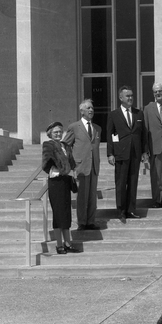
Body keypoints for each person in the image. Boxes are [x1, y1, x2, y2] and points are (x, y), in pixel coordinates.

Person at [107, 85, 148, 223]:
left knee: (133, 182)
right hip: (121, 153)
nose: (130, 98)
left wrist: (144, 151)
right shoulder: (114, 114)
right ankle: (121, 211)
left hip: (135, 154)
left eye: (131, 95)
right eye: (127, 96)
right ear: (120, 98)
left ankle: (131, 210)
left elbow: (143, 135)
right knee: (121, 183)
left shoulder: (139, 113)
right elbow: (110, 135)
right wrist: (110, 153)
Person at [62, 99, 101, 230]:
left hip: (94, 166)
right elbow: (66, 144)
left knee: (92, 196)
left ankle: (91, 221)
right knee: (82, 196)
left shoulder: (97, 128)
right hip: (81, 166)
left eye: (92, 108)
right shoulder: (74, 127)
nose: (91, 110)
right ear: (81, 111)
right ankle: (82, 222)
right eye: (88, 108)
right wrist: (71, 163)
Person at [42, 122, 80, 254]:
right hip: (56, 181)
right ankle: (59, 245)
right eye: (55, 132)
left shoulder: (66, 146)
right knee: (58, 214)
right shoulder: (48, 145)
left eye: (60, 131)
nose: (58, 134)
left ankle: (68, 243)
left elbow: (72, 162)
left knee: (66, 213)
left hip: (65, 180)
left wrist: (70, 170)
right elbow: (47, 163)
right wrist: (63, 168)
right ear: (50, 134)